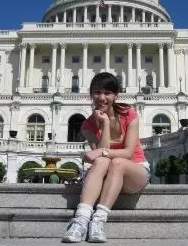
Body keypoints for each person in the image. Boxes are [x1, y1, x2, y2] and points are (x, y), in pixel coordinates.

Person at [62, 72, 150, 243]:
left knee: (116, 162)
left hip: (136, 170)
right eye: (97, 92)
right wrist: (105, 124)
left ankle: (99, 220)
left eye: (107, 93)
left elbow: (128, 152)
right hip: (109, 175)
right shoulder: (88, 125)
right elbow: (102, 156)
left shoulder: (128, 114)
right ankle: (81, 220)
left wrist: (101, 151)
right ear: (91, 94)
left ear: (115, 96)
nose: (101, 97)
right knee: (105, 161)